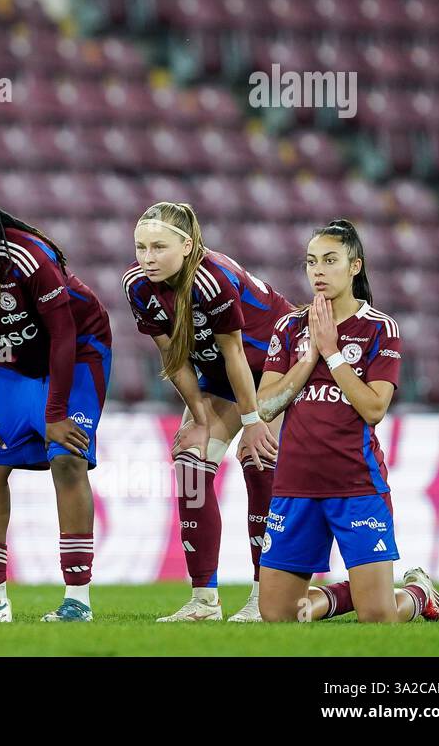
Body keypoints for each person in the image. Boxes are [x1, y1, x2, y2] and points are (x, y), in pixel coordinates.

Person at [255, 219, 439, 624]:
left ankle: (417, 594)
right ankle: (345, 595)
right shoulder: (290, 327)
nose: (318, 271)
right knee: (276, 615)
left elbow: (374, 408)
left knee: (377, 617)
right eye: (311, 262)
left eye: (330, 261)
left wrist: (332, 353)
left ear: (354, 267)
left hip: (356, 485)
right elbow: (267, 405)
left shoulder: (380, 328)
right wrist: (310, 355)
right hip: (296, 486)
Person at [0, 190, 112, 622]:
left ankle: (77, 601)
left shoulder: (27, 257)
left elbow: (65, 335)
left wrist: (54, 415)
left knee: (68, 459)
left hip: (78, 352)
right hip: (12, 359)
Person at [122, 201, 290, 622]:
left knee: (259, 460)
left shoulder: (211, 279)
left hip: (273, 363)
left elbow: (236, 355)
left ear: (187, 244)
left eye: (159, 247)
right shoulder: (138, 286)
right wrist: (198, 417)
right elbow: (173, 357)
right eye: (141, 247)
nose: (147, 258)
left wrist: (253, 423)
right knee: (190, 467)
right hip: (220, 372)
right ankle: (204, 602)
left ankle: (264, 595)